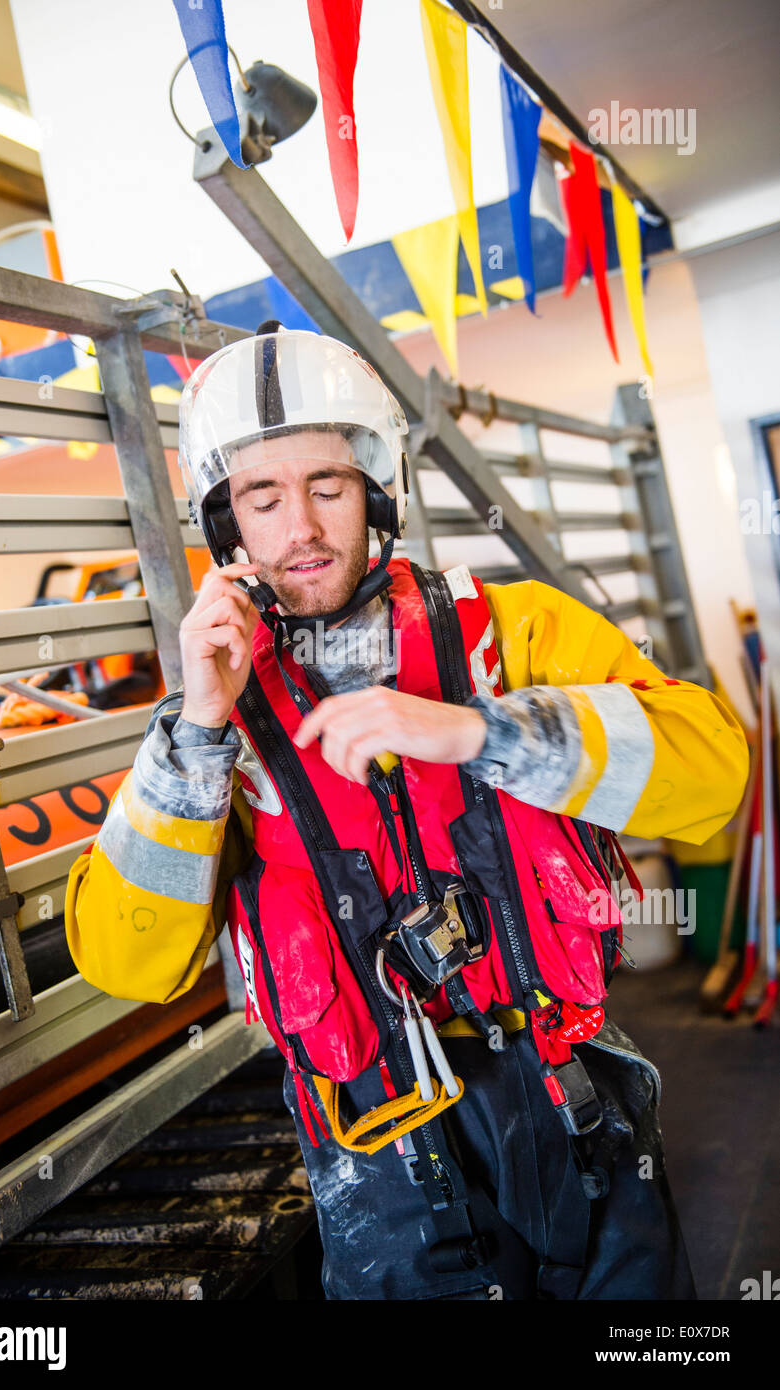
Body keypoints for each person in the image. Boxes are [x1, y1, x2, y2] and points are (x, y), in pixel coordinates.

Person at [65, 322, 748, 1301]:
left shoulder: (515, 633)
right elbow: (127, 963)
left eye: (328, 486)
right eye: (262, 495)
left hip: (574, 1099)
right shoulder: (211, 726)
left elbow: (716, 771)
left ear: (378, 490)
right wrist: (198, 735)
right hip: (377, 1153)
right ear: (227, 521)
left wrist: (482, 731)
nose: (298, 525)